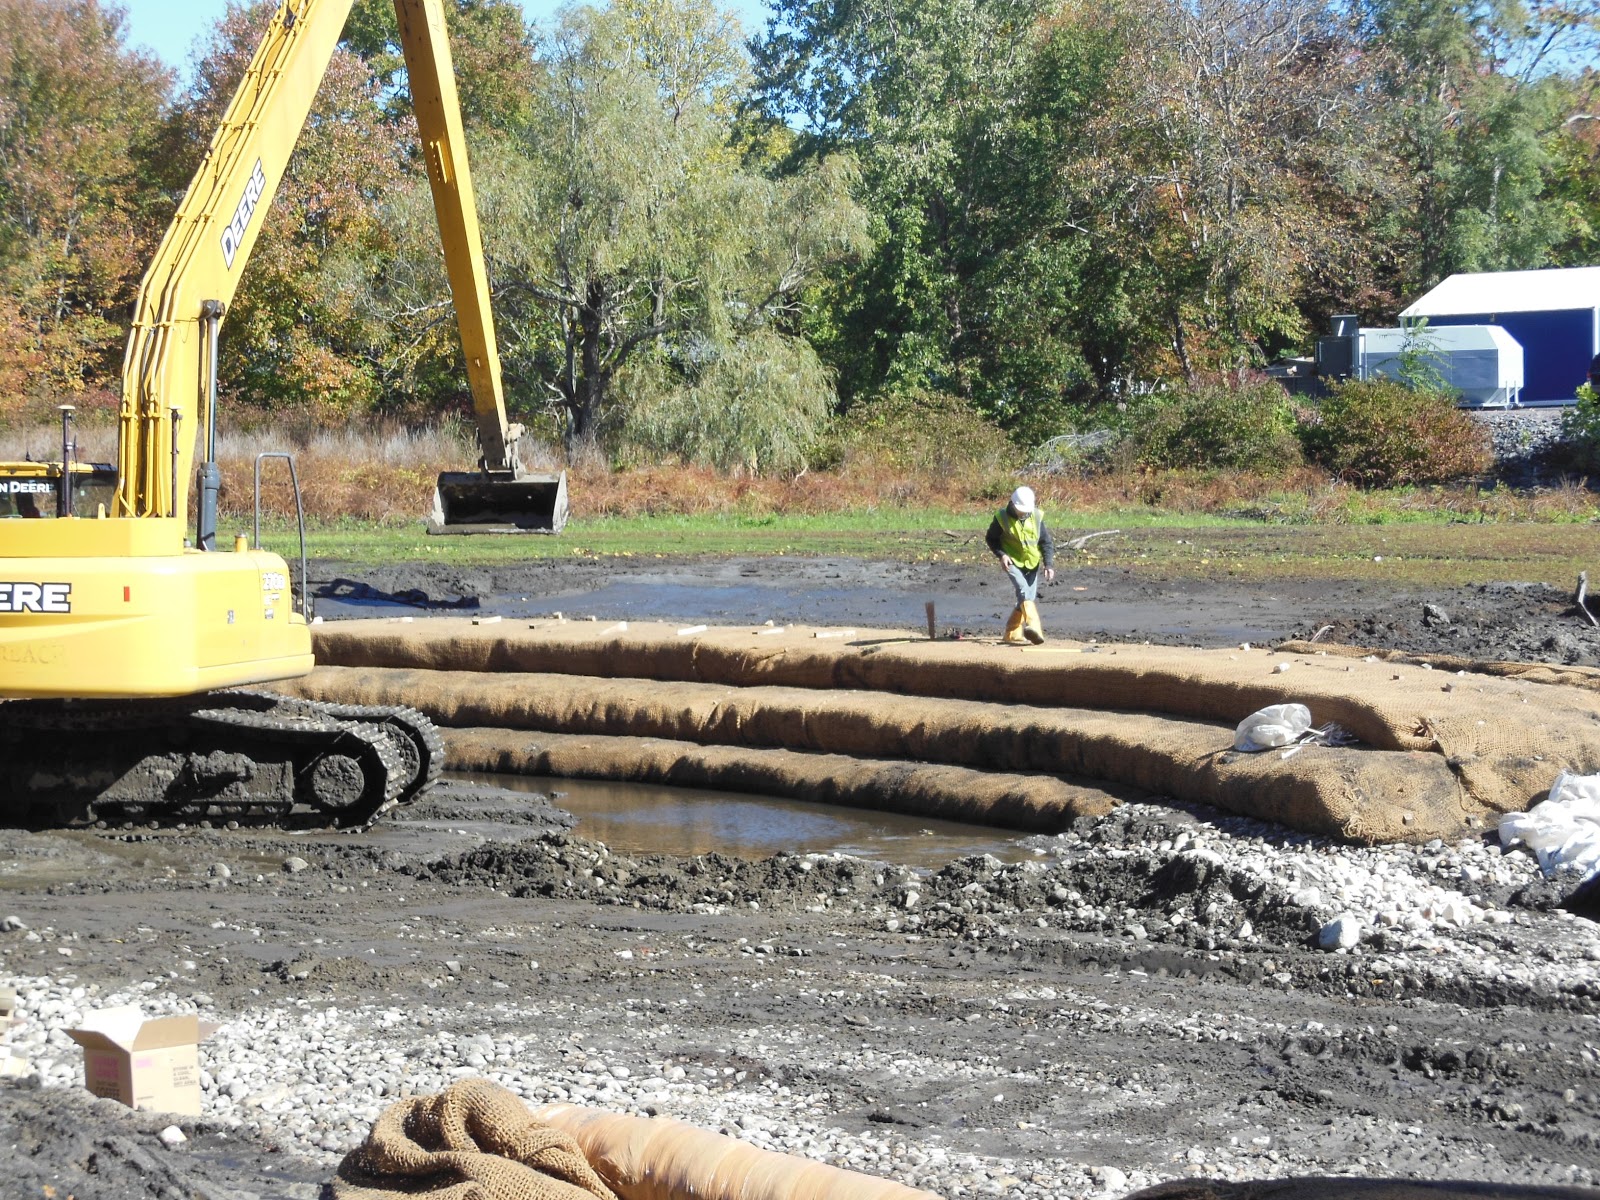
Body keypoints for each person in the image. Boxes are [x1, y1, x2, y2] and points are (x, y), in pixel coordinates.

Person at [985, 485, 1055, 644]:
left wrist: (1048, 564)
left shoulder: (1036, 516)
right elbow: (991, 539)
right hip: (1012, 562)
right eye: (1020, 509)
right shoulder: (1001, 518)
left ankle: (1012, 633)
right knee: (1023, 591)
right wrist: (1002, 555)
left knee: (1028, 597)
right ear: (1013, 504)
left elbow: (1046, 542)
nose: (1024, 512)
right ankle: (1035, 628)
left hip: (1031, 563)